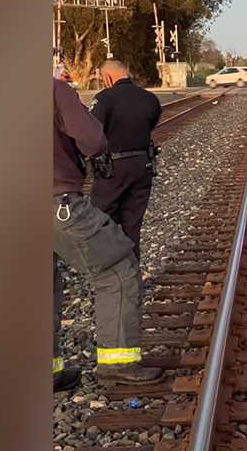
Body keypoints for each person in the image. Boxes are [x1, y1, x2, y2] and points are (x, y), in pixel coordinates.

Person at [52, 77, 164, 391]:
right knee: (117, 267)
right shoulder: (53, 90)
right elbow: (93, 140)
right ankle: (118, 362)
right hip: (55, 202)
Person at [89, 60, 162, 260]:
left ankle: (113, 275)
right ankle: (132, 276)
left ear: (107, 77)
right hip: (142, 166)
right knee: (133, 225)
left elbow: (92, 131)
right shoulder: (150, 98)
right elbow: (153, 123)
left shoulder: (104, 99)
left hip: (112, 169)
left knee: (101, 221)